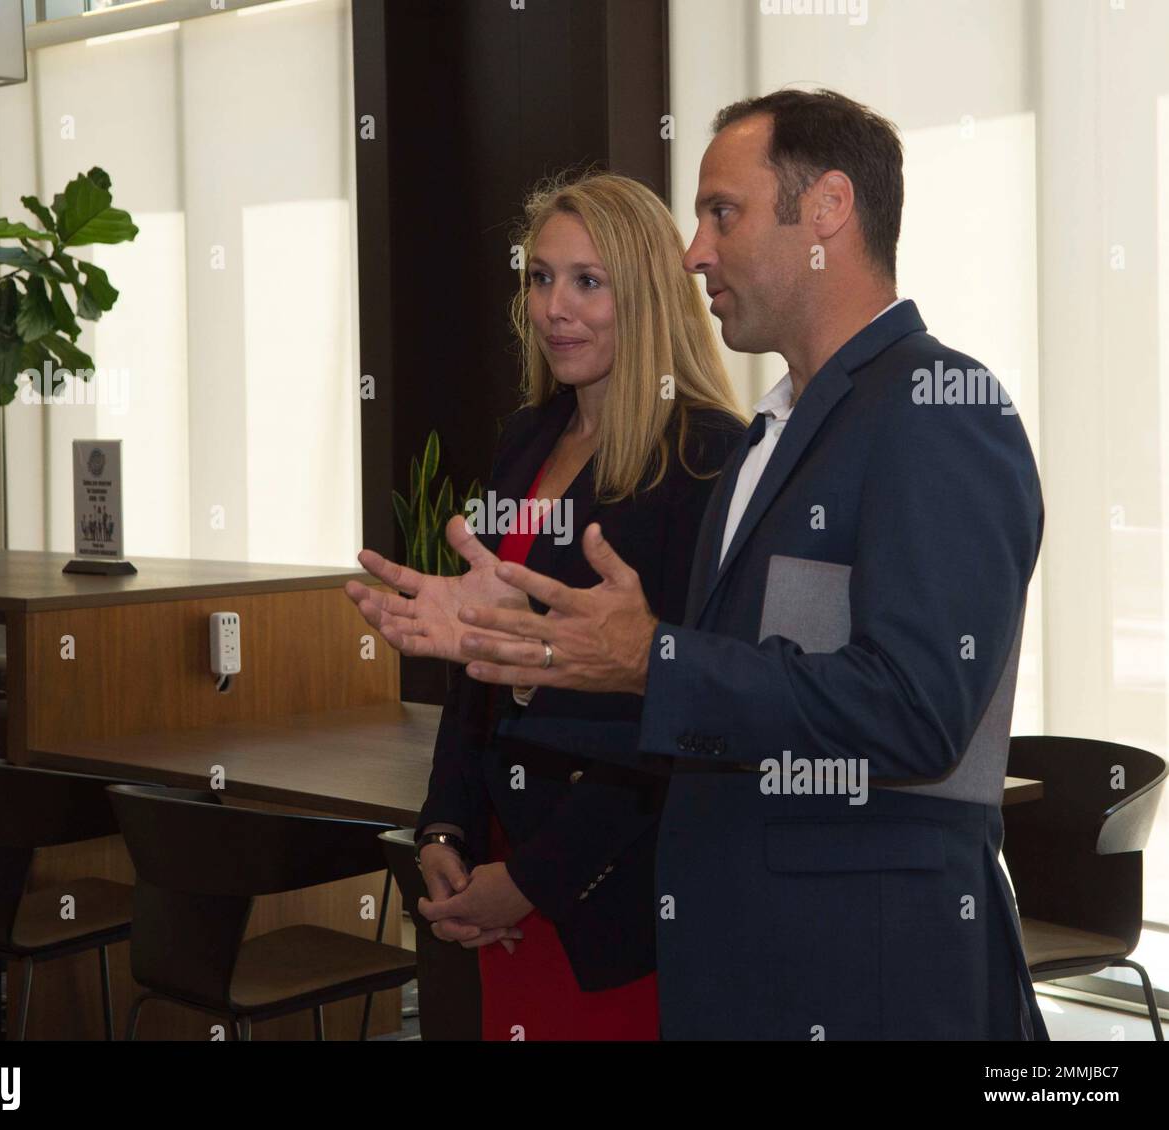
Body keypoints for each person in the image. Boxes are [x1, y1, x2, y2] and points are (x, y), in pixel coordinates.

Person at [377, 90, 1049, 1041]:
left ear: (826, 211)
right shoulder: (769, 438)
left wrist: (652, 661)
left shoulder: (940, 407)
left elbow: (919, 712)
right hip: (743, 971)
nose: (693, 250)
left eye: (720, 213)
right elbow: (720, 716)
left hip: (869, 982)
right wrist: (528, 648)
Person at [346, 172, 745, 1040]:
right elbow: (480, 662)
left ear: (643, 295)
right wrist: (445, 830)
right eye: (539, 277)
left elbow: (680, 717)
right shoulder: (527, 439)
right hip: (496, 849)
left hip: (609, 888)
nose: (554, 307)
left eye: (587, 282)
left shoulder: (710, 456)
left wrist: (531, 882)